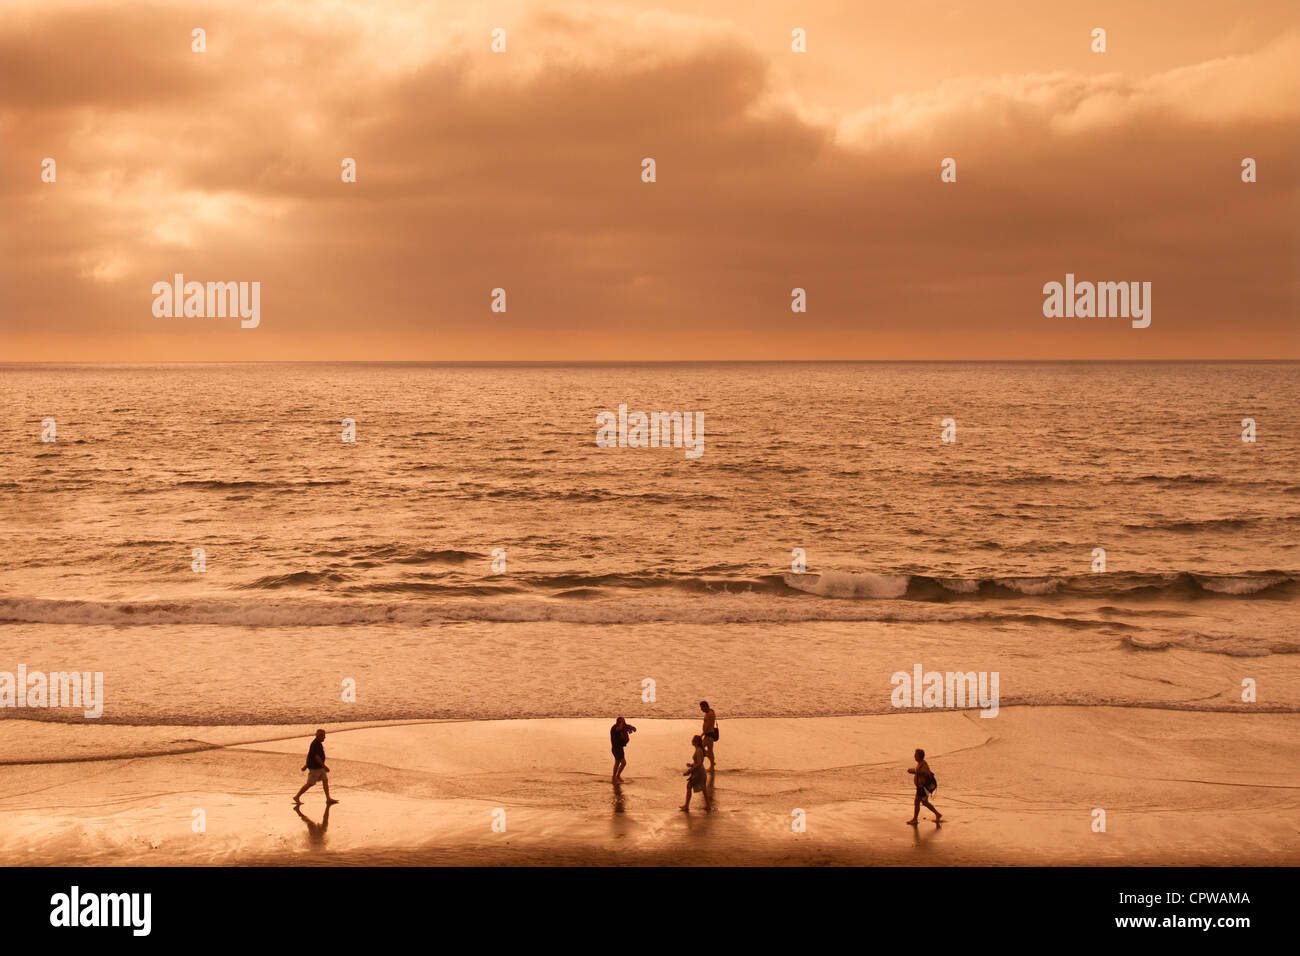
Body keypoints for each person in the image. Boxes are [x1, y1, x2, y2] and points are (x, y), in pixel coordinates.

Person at [294, 729, 339, 806]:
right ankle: (297, 796)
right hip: (315, 768)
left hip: (319, 767)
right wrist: (324, 766)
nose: (325, 737)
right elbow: (316, 757)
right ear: (319, 736)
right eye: (323, 736)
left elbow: (310, 755)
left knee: (325, 780)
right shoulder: (315, 744)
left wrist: (305, 766)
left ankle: (328, 798)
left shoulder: (318, 743)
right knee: (310, 783)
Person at [906, 748, 941, 824]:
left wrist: (915, 771)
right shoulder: (920, 764)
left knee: (920, 802)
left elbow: (926, 774)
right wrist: (915, 771)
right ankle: (937, 814)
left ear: (919, 756)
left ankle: (915, 819)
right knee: (921, 802)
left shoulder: (923, 765)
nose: (914, 756)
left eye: (916, 755)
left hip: (922, 787)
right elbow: (921, 773)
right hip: (920, 787)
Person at [680, 734, 711, 812]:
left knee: (689, 786)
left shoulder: (698, 750)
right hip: (700, 772)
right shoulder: (699, 749)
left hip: (699, 773)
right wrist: (691, 765)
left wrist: (689, 770)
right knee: (704, 789)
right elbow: (698, 762)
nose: (691, 741)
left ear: (696, 742)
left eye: (693, 740)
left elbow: (699, 763)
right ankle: (708, 806)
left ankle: (686, 806)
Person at [610, 716, 637, 780]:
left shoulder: (622, 728)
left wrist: (630, 727)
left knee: (617, 763)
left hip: (619, 748)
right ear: (618, 722)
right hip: (616, 749)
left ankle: (614, 777)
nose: (623, 723)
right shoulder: (614, 728)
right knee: (623, 763)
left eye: (624, 721)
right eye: (621, 721)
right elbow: (619, 729)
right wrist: (622, 722)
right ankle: (617, 776)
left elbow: (624, 728)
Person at [699, 700, 718, 769]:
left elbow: (708, 726)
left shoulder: (710, 714)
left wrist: (702, 734)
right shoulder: (710, 712)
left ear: (705, 706)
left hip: (709, 735)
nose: (701, 709)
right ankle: (712, 765)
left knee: (700, 748)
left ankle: (696, 764)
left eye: (702, 708)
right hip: (709, 734)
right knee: (710, 751)